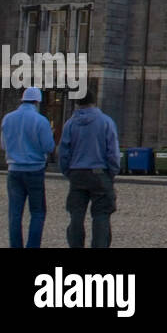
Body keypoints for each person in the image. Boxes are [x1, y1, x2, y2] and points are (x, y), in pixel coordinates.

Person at [57, 85, 119, 248]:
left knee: (76, 215)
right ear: (94, 102)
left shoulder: (70, 124)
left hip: (77, 173)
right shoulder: (106, 122)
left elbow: (63, 152)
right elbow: (112, 153)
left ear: (77, 103)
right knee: (101, 215)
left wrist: (68, 172)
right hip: (100, 173)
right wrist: (111, 174)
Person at [2, 87, 56, 248]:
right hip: (34, 170)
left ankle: (15, 246)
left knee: (15, 214)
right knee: (38, 212)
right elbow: (49, 147)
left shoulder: (7, 118)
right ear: (37, 101)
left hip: (13, 170)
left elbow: (4, 145)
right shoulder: (41, 121)